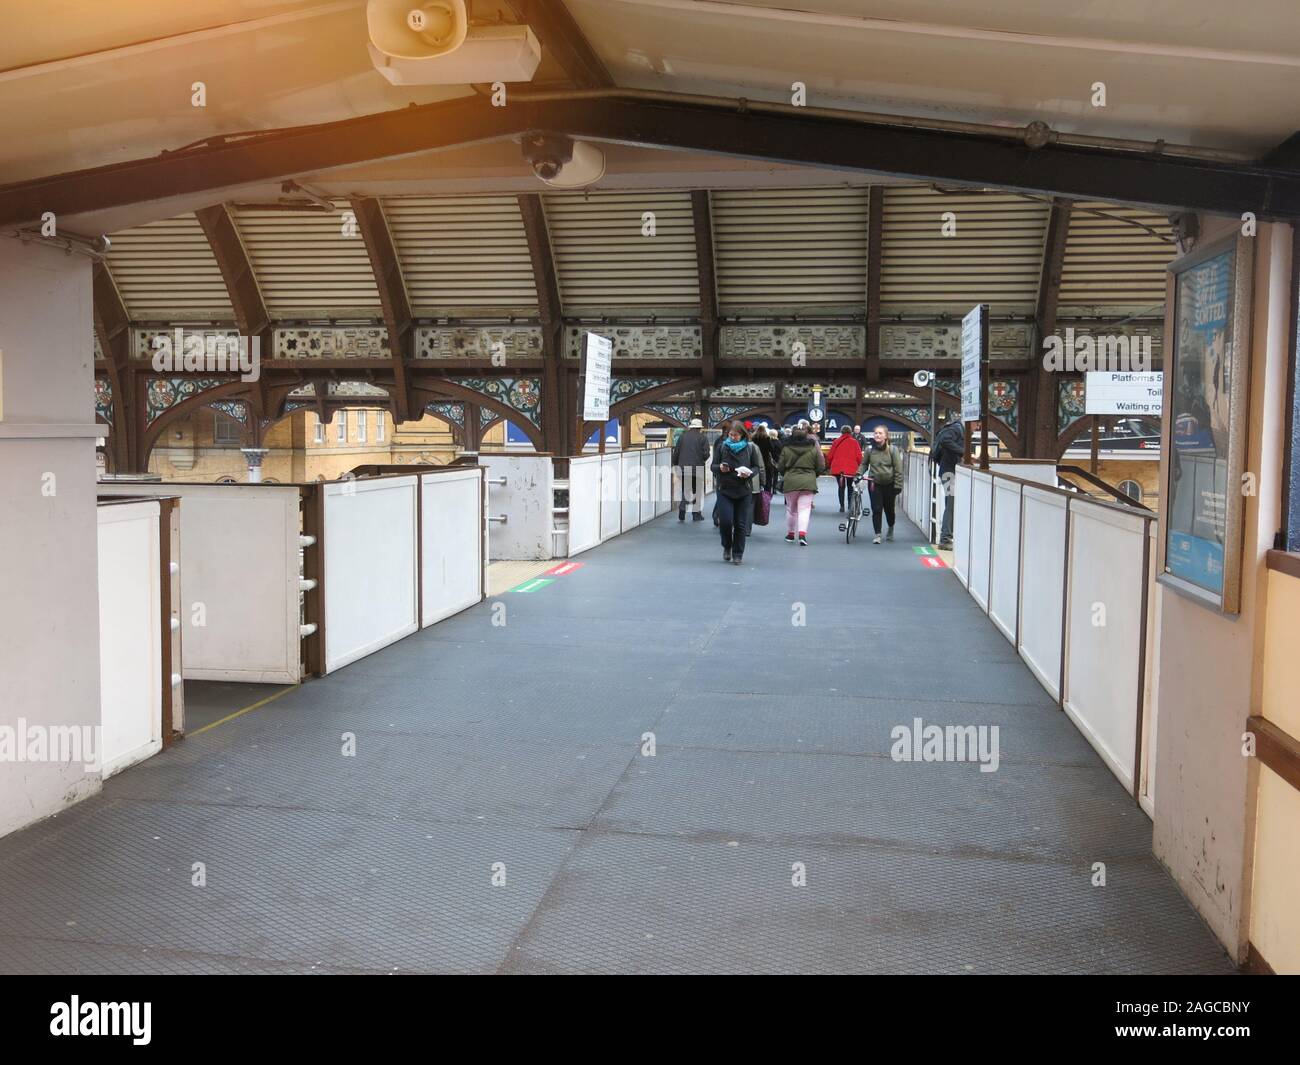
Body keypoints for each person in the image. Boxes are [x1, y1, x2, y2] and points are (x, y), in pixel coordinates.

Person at [711, 423, 759, 564]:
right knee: (725, 522)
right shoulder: (722, 447)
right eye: (731, 435)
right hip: (724, 489)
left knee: (740, 524)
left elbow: (756, 467)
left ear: (742, 434)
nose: (733, 437)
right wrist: (720, 468)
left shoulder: (750, 448)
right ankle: (727, 545)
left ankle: (738, 553)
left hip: (743, 490)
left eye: (736, 435)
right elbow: (713, 466)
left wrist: (749, 474)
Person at [777, 419, 825, 546]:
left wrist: (786, 474)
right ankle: (802, 535)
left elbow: (780, 466)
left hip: (790, 481)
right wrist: (814, 475)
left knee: (791, 509)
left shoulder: (786, 449)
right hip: (808, 482)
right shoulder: (813, 449)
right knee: (804, 509)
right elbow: (820, 466)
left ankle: (790, 534)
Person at [859, 425, 904, 544]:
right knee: (876, 509)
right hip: (874, 483)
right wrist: (858, 474)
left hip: (890, 484)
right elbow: (864, 464)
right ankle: (877, 534)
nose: (877, 435)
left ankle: (890, 527)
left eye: (880, 433)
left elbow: (898, 469)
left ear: (886, 436)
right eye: (876, 433)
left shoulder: (893, 450)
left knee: (889, 510)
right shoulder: (869, 450)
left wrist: (898, 485)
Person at [930, 417, 965, 546]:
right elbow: (945, 440)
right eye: (977, 424)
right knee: (950, 503)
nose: (977, 428)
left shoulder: (955, 428)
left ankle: (946, 537)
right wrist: (963, 452)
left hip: (947, 471)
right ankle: (945, 538)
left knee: (950, 503)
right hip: (949, 472)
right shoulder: (957, 428)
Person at [672, 417, 711, 522]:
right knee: (697, 491)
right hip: (697, 468)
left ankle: (682, 508)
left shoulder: (682, 437)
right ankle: (696, 514)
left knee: (686, 489)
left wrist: (675, 464)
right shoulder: (703, 438)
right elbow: (706, 454)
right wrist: (701, 459)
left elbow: (676, 452)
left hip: (683, 468)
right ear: (700, 428)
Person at [827, 424, 864, 512]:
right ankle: (850, 505)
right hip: (851, 468)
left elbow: (830, 455)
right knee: (850, 486)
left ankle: (842, 506)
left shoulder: (836, 441)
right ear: (850, 432)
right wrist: (859, 466)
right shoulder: (854, 442)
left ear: (841, 432)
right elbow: (859, 456)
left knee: (841, 487)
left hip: (838, 468)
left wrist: (829, 465)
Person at [711, 420, 732, 527]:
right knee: (724, 496)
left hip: (720, 472)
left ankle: (717, 514)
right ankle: (717, 514)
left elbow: (715, 458)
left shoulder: (718, 441)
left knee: (721, 495)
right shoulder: (727, 442)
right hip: (726, 472)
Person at [752, 424, 777, 494]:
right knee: (768, 479)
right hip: (766, 461)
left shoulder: (753, 438)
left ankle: (756, 493)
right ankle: (766, 495)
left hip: (755, 460)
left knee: (756, 478)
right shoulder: (767, 438)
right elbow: (772, 449)